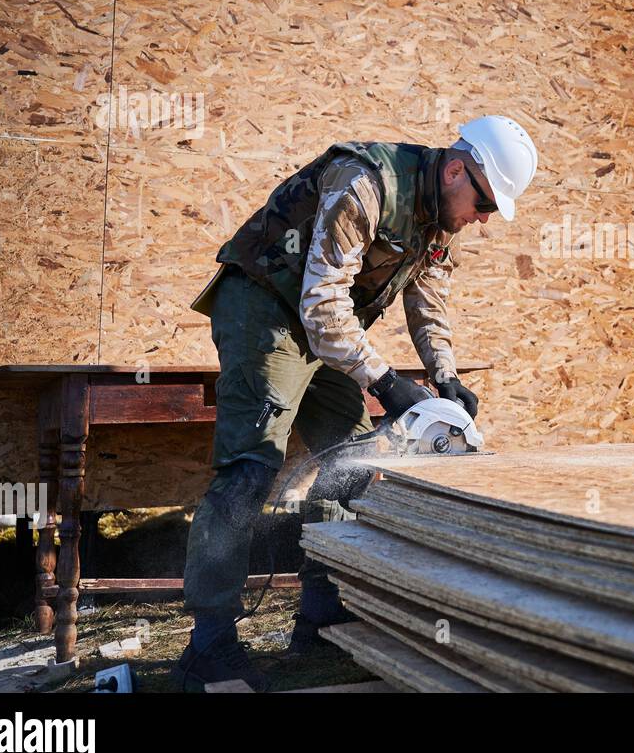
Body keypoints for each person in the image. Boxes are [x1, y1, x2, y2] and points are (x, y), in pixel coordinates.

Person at [174, 115, 538, 691]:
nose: (484, 219)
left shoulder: (444, 216)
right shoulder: (364, 182)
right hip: (265, 307)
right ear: (453, 169)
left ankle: (321, 620)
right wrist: (389, 384)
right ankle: (208, 646)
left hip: (325, 331)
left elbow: (429, 303)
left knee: (351, 464)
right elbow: (322, 305)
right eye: (484, 204)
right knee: (249, 469)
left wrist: (445, 376)